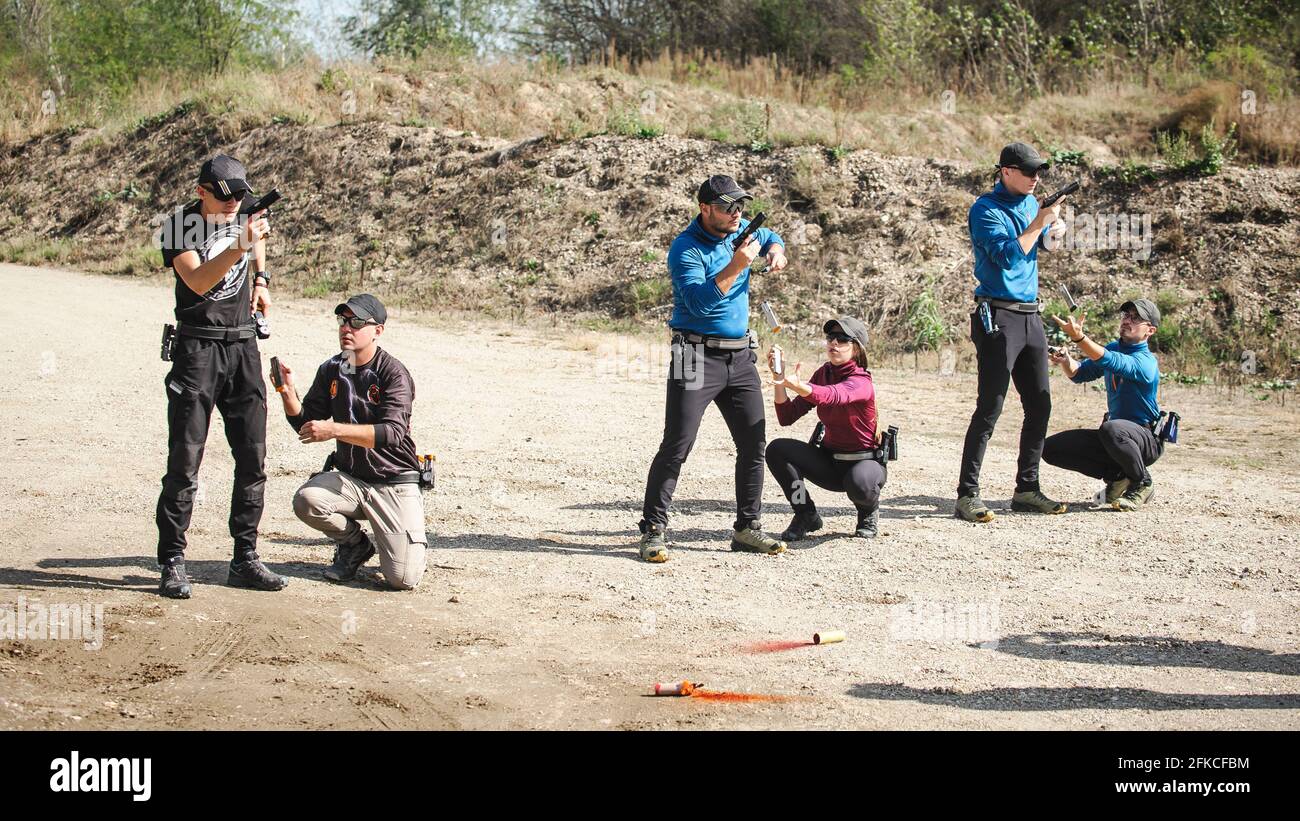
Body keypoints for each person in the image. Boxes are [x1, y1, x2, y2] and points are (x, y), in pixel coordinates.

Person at [637, 175, 789, 562]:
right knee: (678, 444)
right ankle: (653, 531)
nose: (737, 214)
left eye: (740, 206)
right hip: (693, 354)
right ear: (705, 209)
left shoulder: (738, 229)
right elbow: (700, 303)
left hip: (739, 357)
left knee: (753, 444)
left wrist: (776, 251)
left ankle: (747, 528)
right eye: (727, 207)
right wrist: (738, 265)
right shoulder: (685, 249)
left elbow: (769, 234)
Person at [155, 154, 285, 599]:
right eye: (224, 200)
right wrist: (239, 247)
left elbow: (258, 230)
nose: (234, 208)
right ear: (201, 192)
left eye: (240, 200)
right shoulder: (178, 227)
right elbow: (197, 281)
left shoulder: (243, 209)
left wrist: (262, 280)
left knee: (253, 457)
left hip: (243, 344)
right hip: (198, 346)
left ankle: (245, 558)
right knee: (185, 461)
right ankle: (172, 560)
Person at [276, 294, 428, 589]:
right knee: (307, 501)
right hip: (352, 480)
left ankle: (405, 537)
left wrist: (334, 430)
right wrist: (287, 392)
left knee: (403, 579)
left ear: (378, 331)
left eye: (357, 322)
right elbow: (304, 424)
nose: (347, 328)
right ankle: (355, 545)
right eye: (343, 321)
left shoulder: (393, 372)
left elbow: (391, 433)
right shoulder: (331, 369)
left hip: (394, 482)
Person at [955, 142, 1071, 523]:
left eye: (1039, 171)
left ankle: (1027, 489)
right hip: (998, 314)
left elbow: (1046, 248)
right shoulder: (985, 209)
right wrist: (1039, 221)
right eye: (1028, 171)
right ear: (1006, 171)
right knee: (991, 406)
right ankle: (967, 495)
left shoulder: (1030, 205)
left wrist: (1055, 229)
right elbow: (1007, 256)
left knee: (1040, 404)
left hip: (1030, 315)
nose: (1036, 178)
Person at [765, 317, 886, 540]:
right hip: (830, 463)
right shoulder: (824, 373)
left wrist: (801, 386)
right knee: (777, 450)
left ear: (857, 347)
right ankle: (805, 513)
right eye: (831, 338)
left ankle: (868, 511)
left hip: (864, 464)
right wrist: (779, 379)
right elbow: (787, 416)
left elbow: (833, 396)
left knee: (860, 483)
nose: (834, 343)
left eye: (842, 339)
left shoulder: (861, 381)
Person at [1044, 298, 1164, 511]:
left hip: (1145, 441)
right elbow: (1080, 374)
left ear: (1150, 331)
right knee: (1049, 449)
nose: (1127, 320)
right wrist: (1065, 361)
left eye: (1136, 318)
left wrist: (1079, 338)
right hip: (1116, 439)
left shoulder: (1146, 361)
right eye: (1126, 315)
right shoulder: (1114, 347)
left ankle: (1142, 482)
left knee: (1111, 428)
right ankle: (1118, 478)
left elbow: (1110, 361)